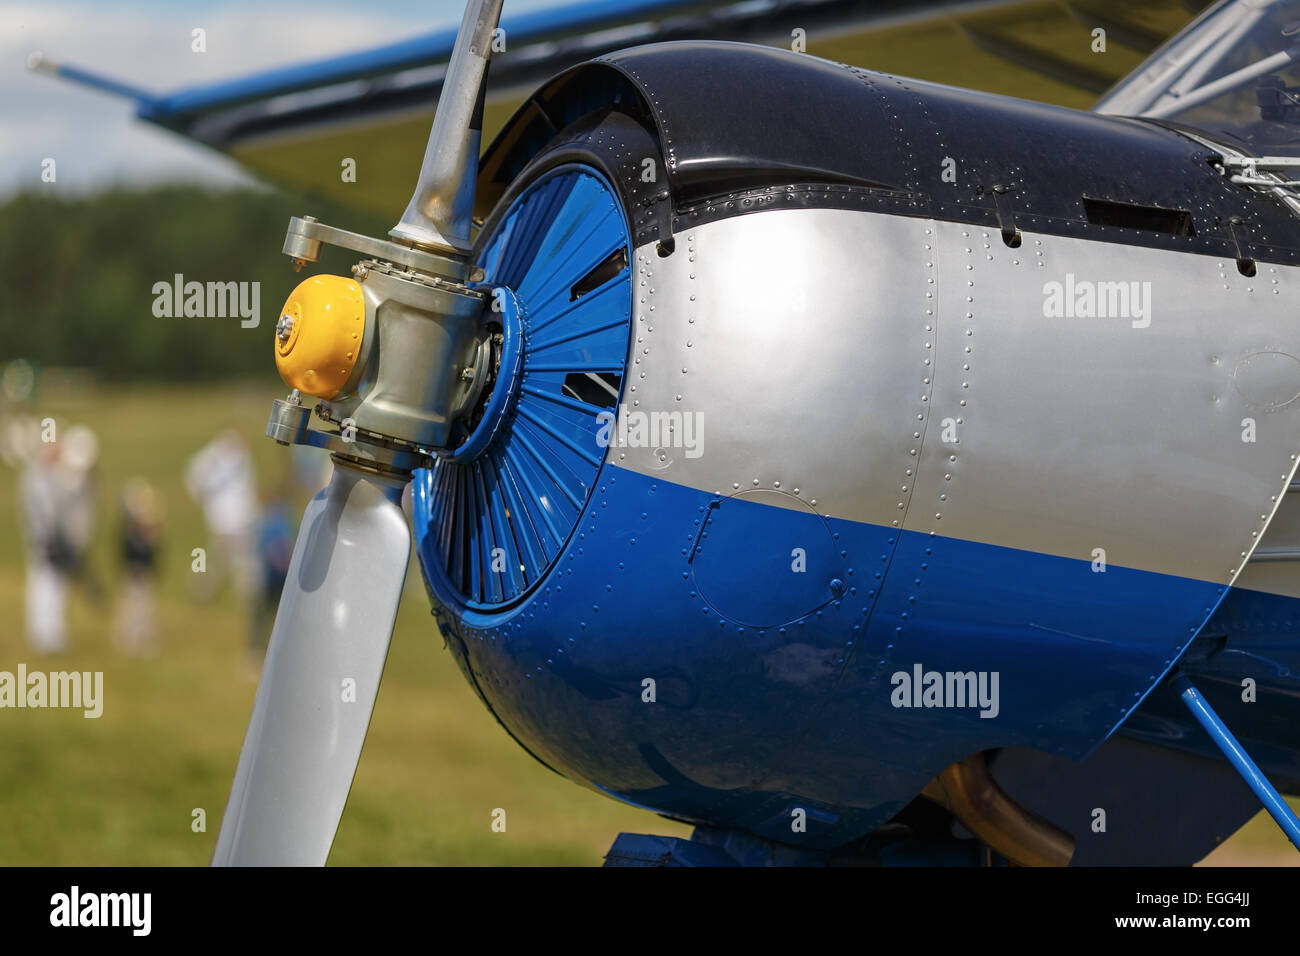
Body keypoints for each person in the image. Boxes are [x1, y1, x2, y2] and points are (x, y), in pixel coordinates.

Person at [17, 425, 99, 654]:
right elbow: (41, 512)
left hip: (55, 541)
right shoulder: (35, 477)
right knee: (44, 586)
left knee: (57, 588)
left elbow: (69, 504)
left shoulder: (55, 476)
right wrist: (47, 538)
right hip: (43, 541)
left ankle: (53, 633)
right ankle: (42, 635)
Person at [184, 430, 258, 603]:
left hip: (235, 520)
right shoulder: (216, 458)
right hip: (228, 520)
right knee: (239, 560)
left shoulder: (239, 462)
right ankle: (247, 594)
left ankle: (202, 587)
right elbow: (195, 477)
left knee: (230, 558)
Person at [116, 477, 163, 657]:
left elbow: (155, 555)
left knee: (146, 608)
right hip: (134, 576)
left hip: (145, 576)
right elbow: (126, 555)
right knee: (132, 609)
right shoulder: (129, 534)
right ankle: (130, 638)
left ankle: (143, 637)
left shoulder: (149, 533)